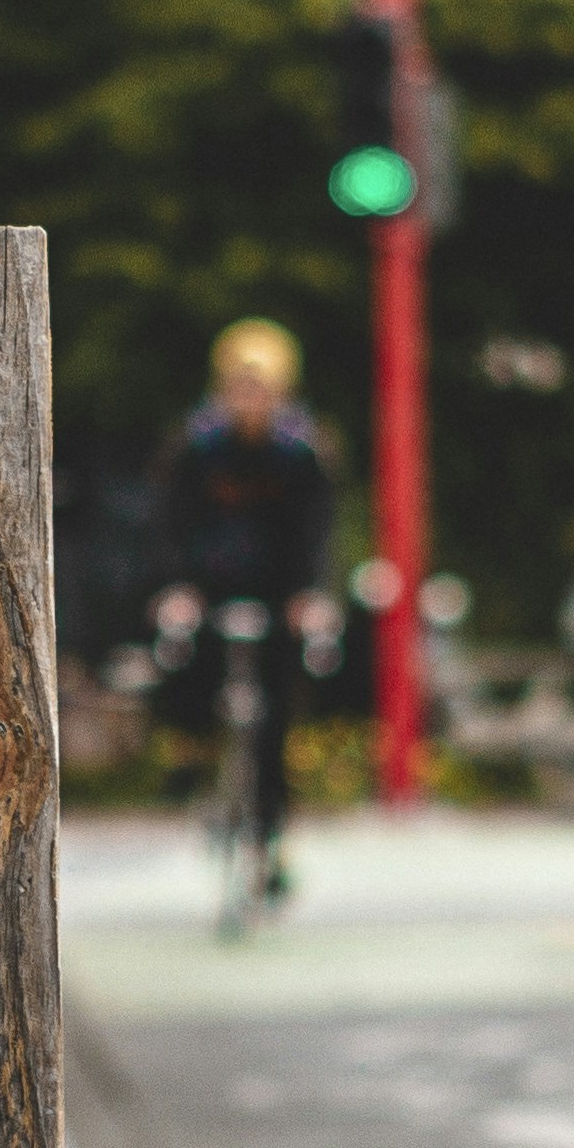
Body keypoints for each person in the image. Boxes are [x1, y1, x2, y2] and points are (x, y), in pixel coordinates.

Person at [153, 318, 338, 887]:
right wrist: (175, 590)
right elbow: (169, 525)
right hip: (208, 592)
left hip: (279, 596)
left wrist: (312, 597)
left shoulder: (303, 452)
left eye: (261, 388)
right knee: (181, 663)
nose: (249, 400)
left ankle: (270, 836)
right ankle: (191, 761)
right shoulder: (195, 446)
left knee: (276, 716)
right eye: (239, 386)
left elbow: (318, 531)